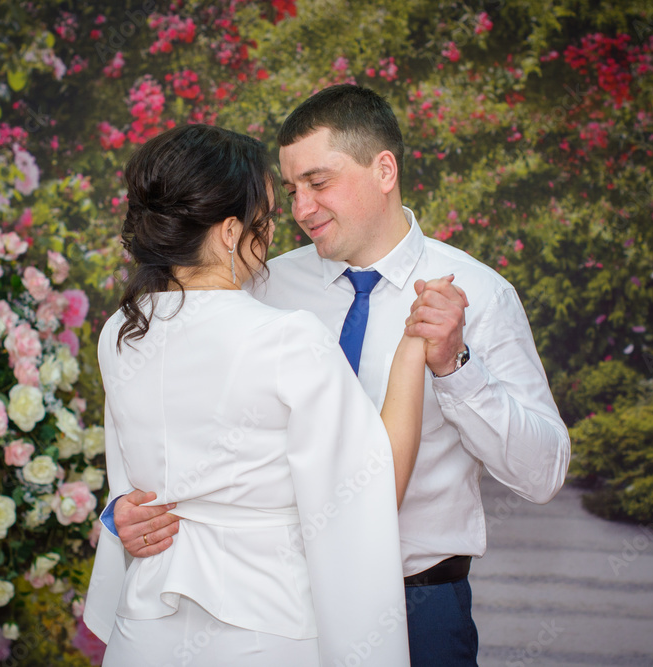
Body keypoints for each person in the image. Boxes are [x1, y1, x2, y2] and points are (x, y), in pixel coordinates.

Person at [108, 84, 572, 666]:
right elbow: (178, 416)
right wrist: (125, 508)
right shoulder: (258, 284)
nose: (301, 210)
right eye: (290, 190)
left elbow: (543, 473)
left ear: (384, 170)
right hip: (273, 607)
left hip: (418, 604)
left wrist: (456, 368)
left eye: (319, 183)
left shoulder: (479, 293)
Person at [83, 123, 430, 666]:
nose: (271, 237)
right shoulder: (287, 338)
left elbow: (132, 483)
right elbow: (369, 489)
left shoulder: (121, 332)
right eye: (264, 220)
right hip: (266, 625)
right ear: (229, 232)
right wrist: (413, 348)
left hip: (146, 624)